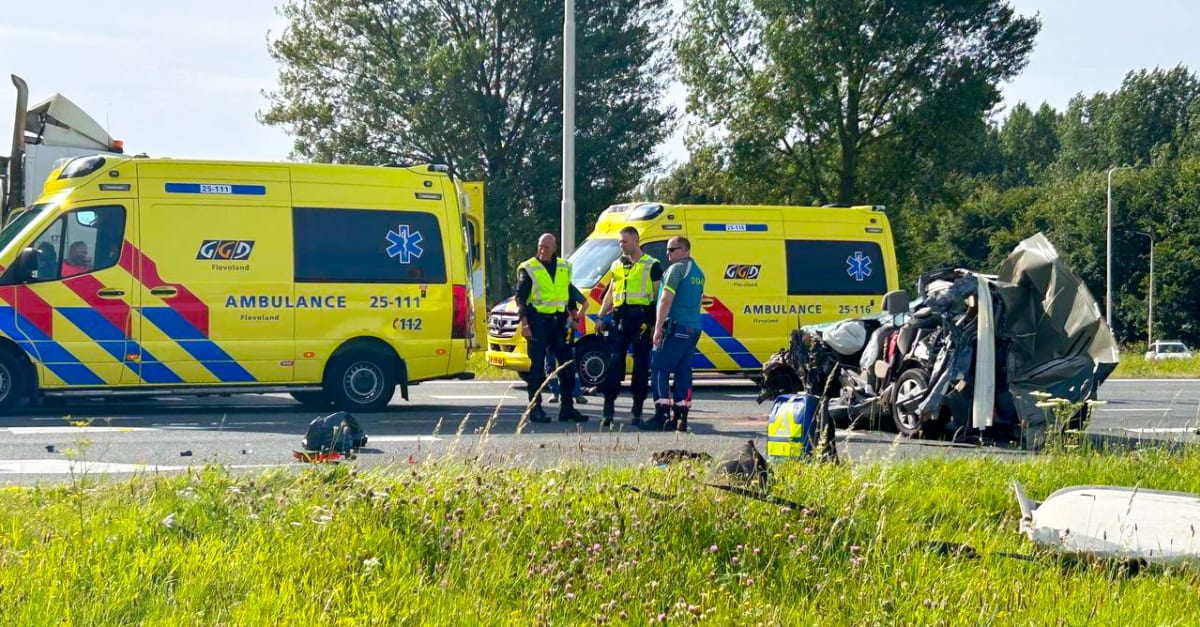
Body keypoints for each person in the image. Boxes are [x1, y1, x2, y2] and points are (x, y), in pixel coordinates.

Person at [515, 233, 588, 423]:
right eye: (540, 246)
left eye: (546, 247)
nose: (542, 250)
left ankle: (567, 408)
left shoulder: (564, 267)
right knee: (537, 368)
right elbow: (520, 298)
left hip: (559, 323)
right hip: (537, 322)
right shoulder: (529, 268)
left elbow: (567, 293)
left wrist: (573, 312)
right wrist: (524, 325)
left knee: (567, 367)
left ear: (554, 248)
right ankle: (535, 409)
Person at [595, 226, 662, 427]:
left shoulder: (652, 265)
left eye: (624, 241)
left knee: (641, 367)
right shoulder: (617, 265)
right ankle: (608, 408)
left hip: (641, 321)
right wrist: (600, 316)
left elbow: (658, 297)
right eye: (620, 242)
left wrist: (654, 324)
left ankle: (637, 409)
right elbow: (611, 292)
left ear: (636, 240)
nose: (621, 245)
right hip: (619, 320)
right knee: (614, 363)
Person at [641, 236, 705, 432]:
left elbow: (666, 300)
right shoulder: (698, 272)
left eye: (672, 249)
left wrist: (658, 327)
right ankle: (681, 416)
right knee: (683, 370)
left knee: (659, 367)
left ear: (685, 250)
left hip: (676, 326)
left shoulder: (676, 270)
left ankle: (661, 413)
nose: (667, 254)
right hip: (693, 327)